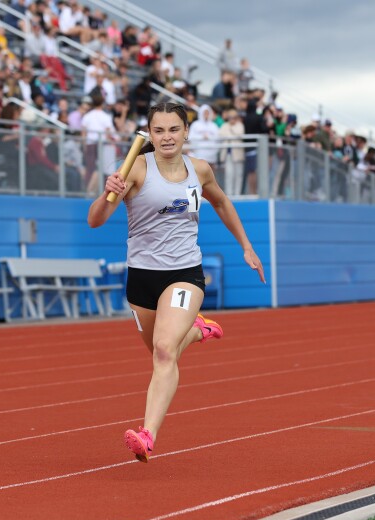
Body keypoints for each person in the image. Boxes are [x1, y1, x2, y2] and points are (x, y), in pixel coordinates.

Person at [87, 102, 265, 462]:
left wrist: (246, 246)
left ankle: (147, 435)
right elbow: (95, 220)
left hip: (185, 273)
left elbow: (222, 203)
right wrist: (108, 193)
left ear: (186, 132)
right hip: (142, 278)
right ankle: (197, 330)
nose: (166, 137)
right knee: (159, 353)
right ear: (150, 134)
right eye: (159, 130)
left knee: (166, 350)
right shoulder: (135, 168)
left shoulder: (200, 169)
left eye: (173, 129)